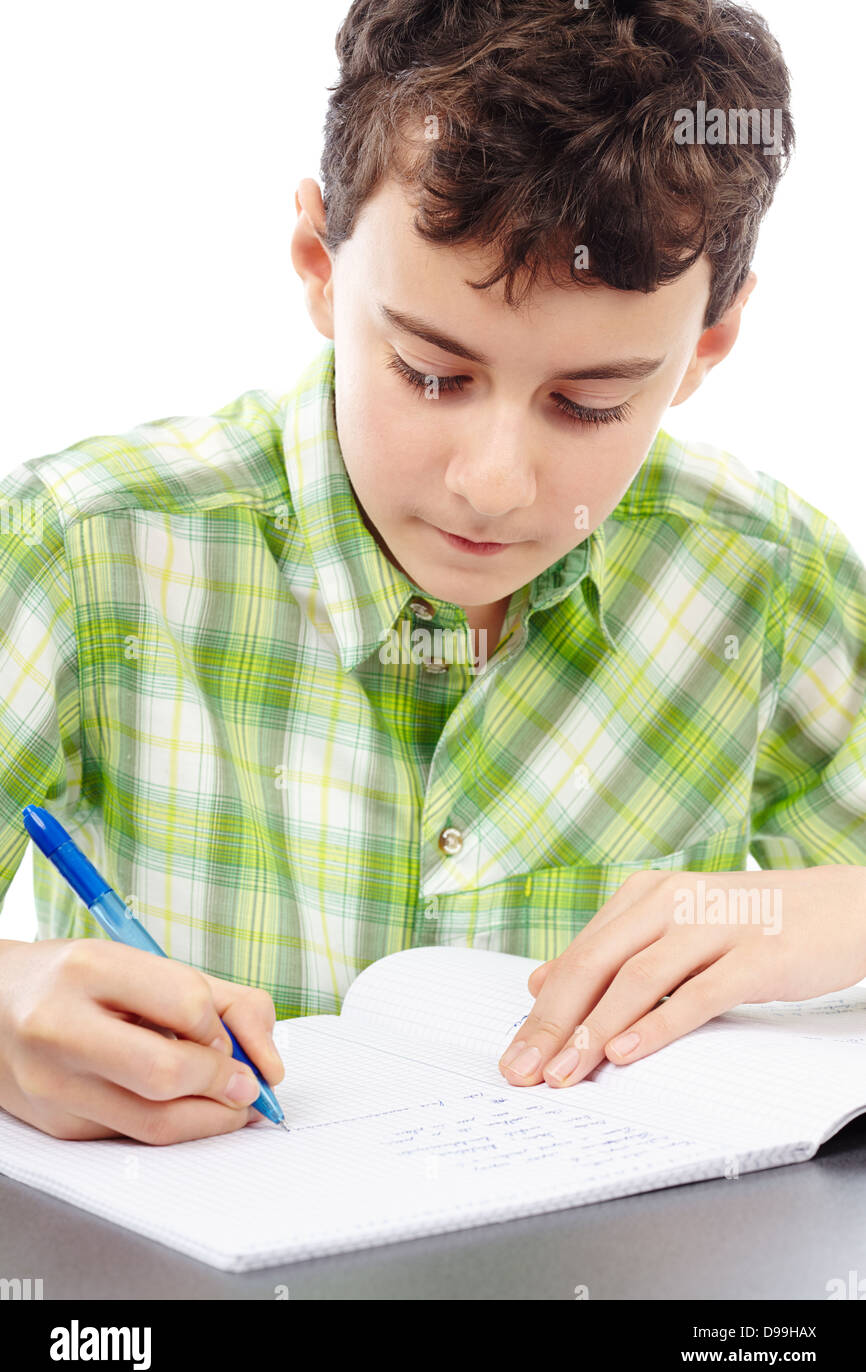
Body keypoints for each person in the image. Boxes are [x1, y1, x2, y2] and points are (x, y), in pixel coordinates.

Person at [0, 0, 863, 1145]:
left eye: (589, 401)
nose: (495, 482)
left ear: (707, 342)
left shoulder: (764, 578)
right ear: (317, 265)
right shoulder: (86, 543)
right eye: (429, 373)